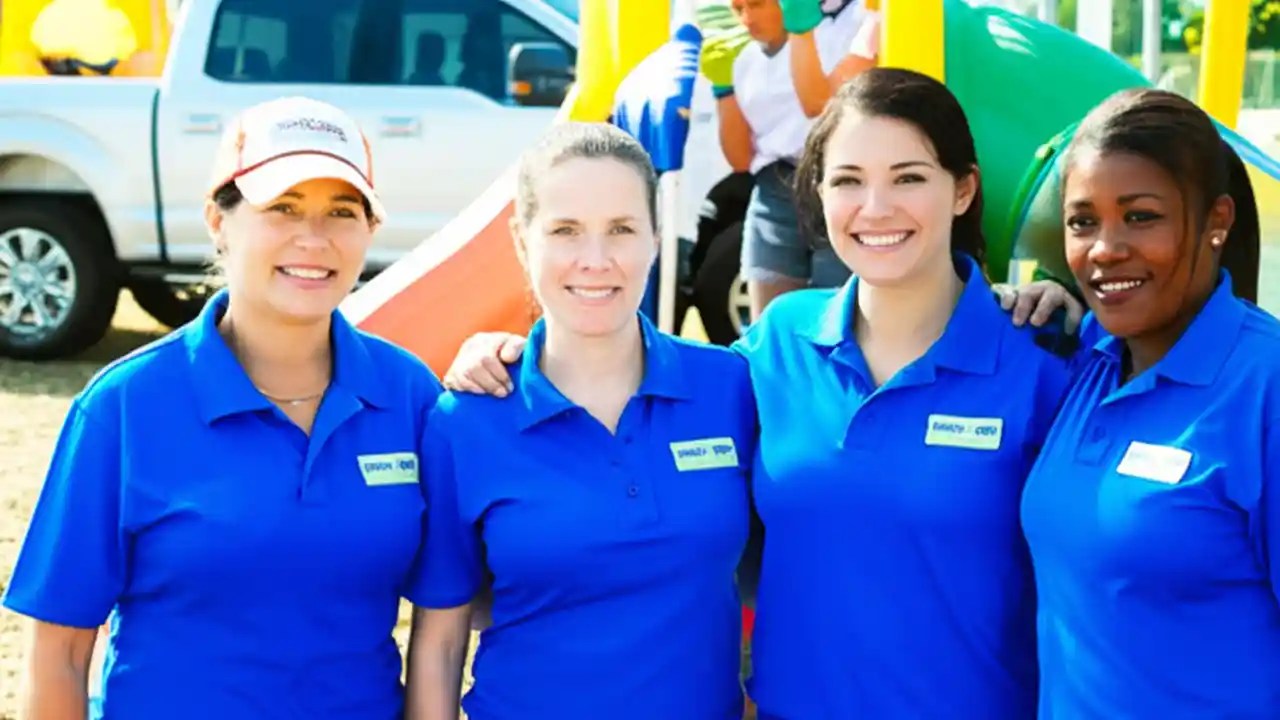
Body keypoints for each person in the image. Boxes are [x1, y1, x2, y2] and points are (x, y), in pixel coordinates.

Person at [440, 68, 1083, 719]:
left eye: (908, 177)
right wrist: (502, 353)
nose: (876, 207)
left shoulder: (1041, 361)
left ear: (964, 189)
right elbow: (619, 391)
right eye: (848, 180)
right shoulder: (776, 345)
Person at [2, 96, 443, 719]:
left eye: (341, 211)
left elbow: (456, 609)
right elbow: (59, 653)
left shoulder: (411, 395)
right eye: (282, 208)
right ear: (218, 219)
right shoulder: (124, 408)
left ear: (370, 228)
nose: (313, 238)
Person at [404, 122, 757, 720]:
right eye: (565, 231)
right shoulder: (466, 420)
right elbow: (439, 643)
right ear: (522, 241)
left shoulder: (730, 388)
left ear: (654, 238)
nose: (595, 261)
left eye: (621, 229)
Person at [1019, 88, 1278, 718]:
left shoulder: (1264, 385)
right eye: (1083, 222)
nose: (1105, 249)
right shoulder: (1085, 356)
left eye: (1140, 216)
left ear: (1217, 221)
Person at [699, 0, 880, 320]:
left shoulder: (850, 26)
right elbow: (740, 159)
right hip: (775, 190)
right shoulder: (745, 59)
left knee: (839, 315)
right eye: (737, 8)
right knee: (769, 323)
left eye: (755, 4)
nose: (746, 19)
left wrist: (799, 26)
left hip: (837, 181)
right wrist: (723, 89)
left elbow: (817, 105)